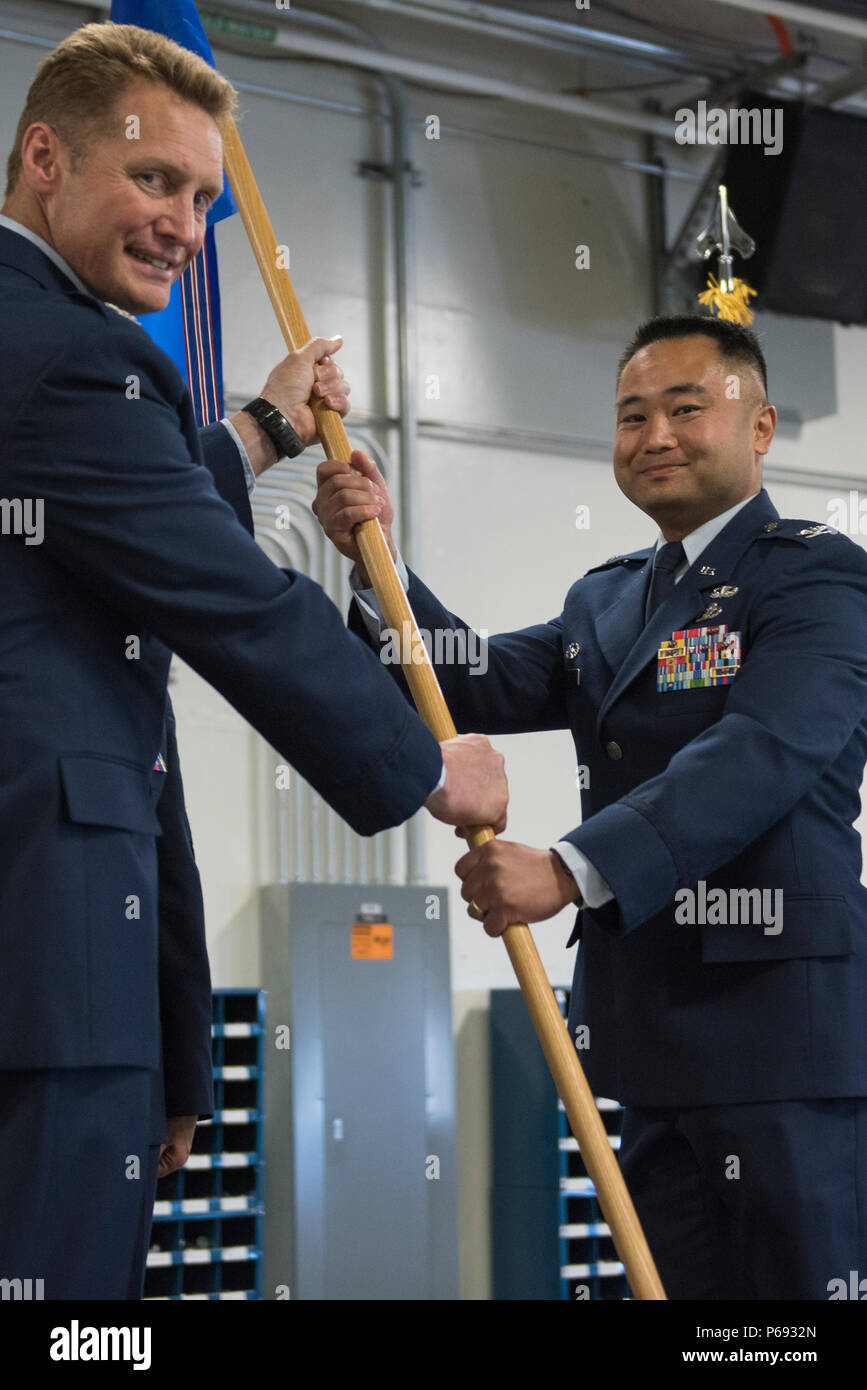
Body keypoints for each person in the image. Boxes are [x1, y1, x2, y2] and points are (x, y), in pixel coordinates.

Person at [0, 21, 508, 1300]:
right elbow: (218, 590)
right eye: (153, 178)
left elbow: (117, 522)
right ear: (44, 157)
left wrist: (266, 429)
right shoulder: (59, 349)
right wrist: (428, 765)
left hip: (80, 983)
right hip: (44, 975)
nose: (184, 221)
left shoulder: (45, 350)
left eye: (207, 197)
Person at [312, 314, 867, 1301]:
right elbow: (471, 679)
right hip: (649, 1039)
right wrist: (376, 562)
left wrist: (568, 869)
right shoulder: (607, 600)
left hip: (781, 1040)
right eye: (632, 415)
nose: (655, 435)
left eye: (685, 409)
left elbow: (760, 755)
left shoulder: (821, 573)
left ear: (762, 426)